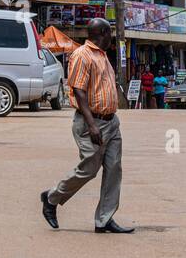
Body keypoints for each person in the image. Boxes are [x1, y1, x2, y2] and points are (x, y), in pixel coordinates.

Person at [40, 19, 134, 234]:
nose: (111, 36)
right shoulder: (82, 55)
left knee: (113, 170)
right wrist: (92, 125)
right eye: (109, 32)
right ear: (102, 33)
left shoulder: (102, 55)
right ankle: (52, 198)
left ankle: (104, 219)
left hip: (111, 122)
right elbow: (79, 91)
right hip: (91, 122)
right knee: (89, 170)